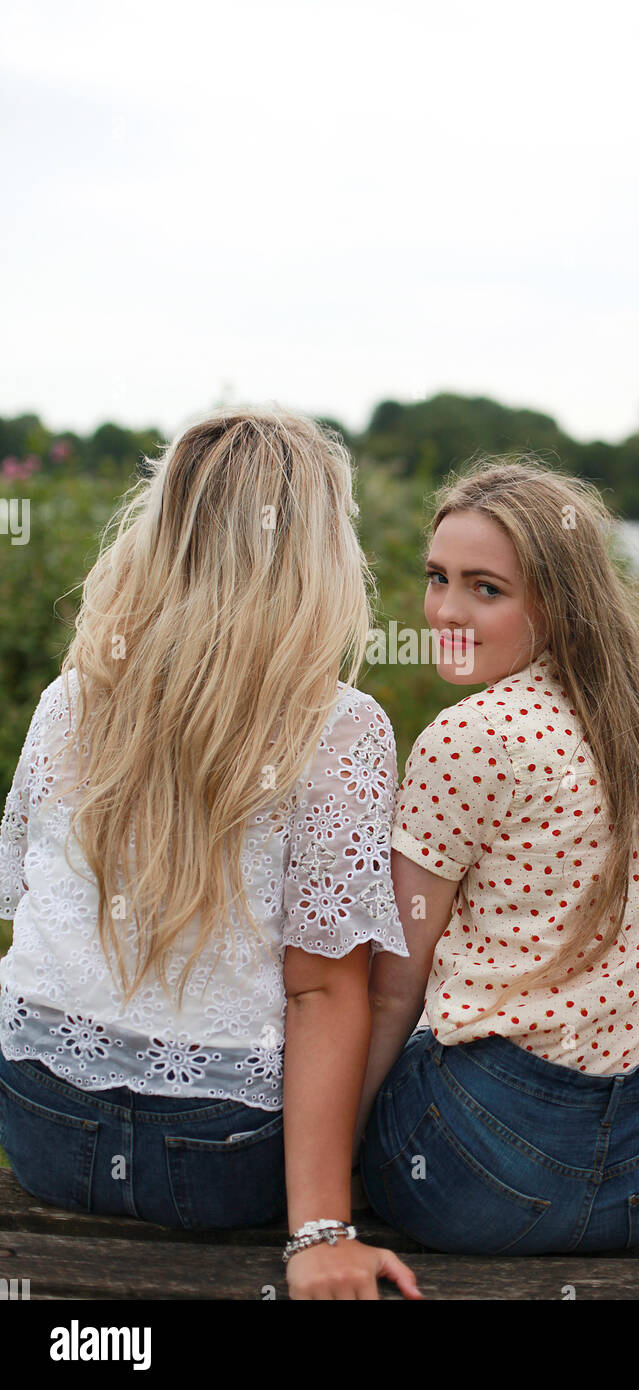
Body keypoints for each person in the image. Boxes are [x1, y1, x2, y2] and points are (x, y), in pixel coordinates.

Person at [0, 406, 422, 1300]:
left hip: (40, 1119)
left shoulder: (75, 693)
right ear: (317, 552)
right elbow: (320, 987)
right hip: (221, 1160)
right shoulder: (342, 728)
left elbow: (24, 910)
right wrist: (318, 1232)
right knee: (425, 1020)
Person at [353, 459, 639, 1255]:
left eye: (484, 588)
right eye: (436, 577)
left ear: (559, 605)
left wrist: (328, 1182)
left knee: (348, 1005)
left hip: (481, 1182)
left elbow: (394, 991)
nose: (445, 610)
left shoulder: (467, 737)